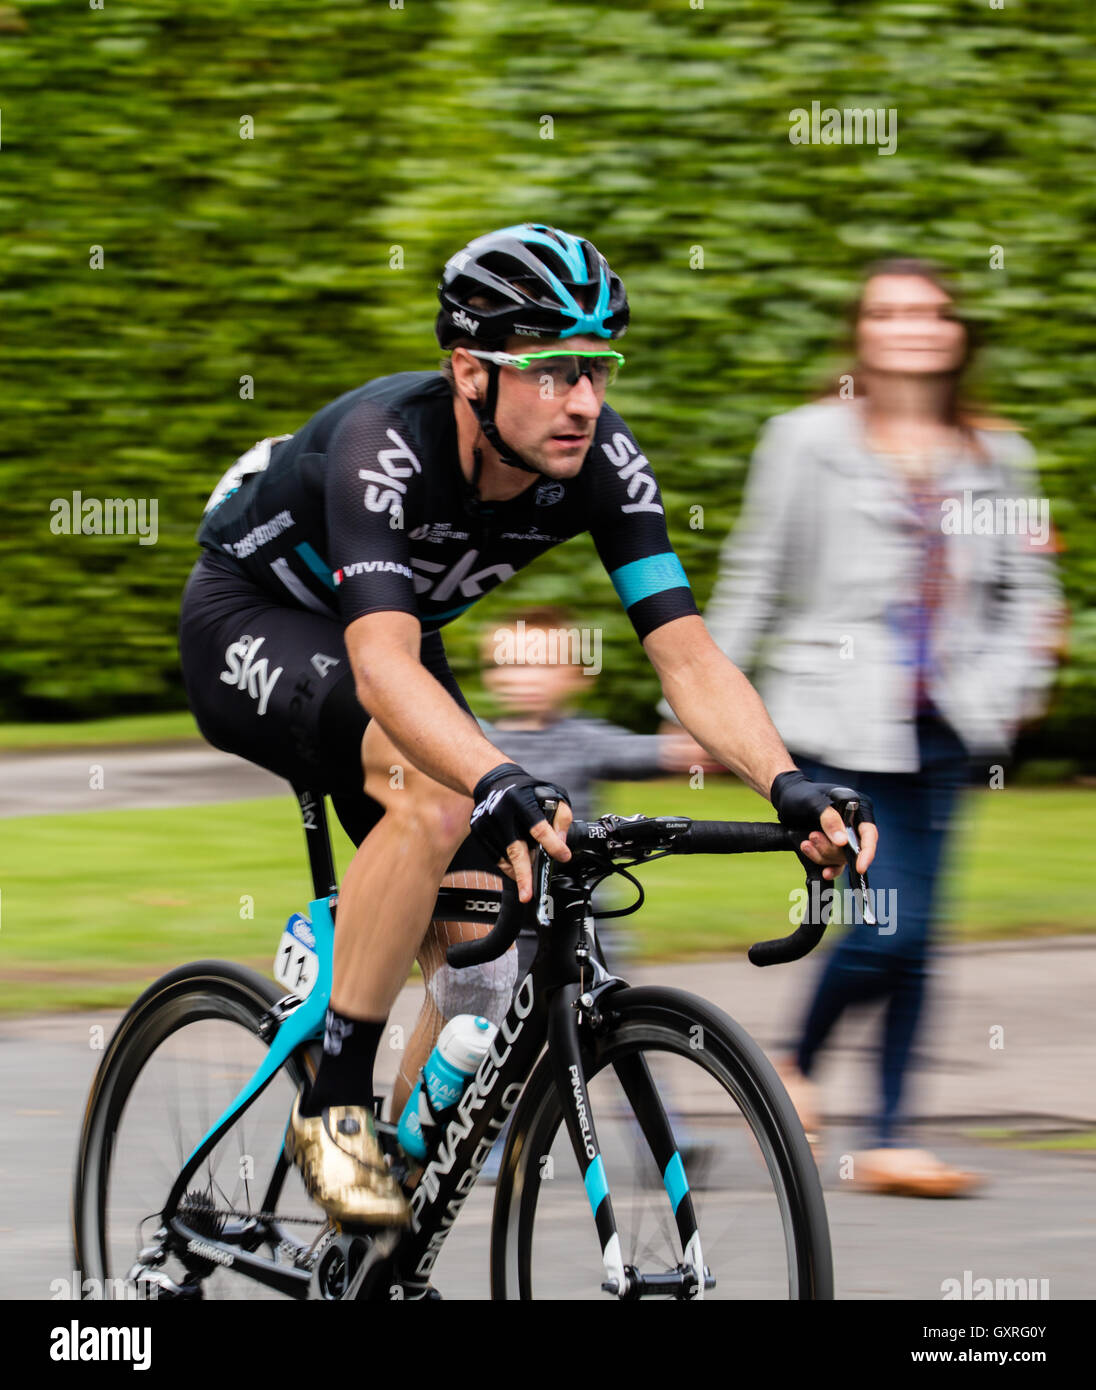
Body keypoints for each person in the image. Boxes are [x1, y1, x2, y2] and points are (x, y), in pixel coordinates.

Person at [178, 222, 876, 1232]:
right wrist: (497, 773)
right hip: (254, 620)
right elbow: (381, 665)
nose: (582, 399)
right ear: (470, 372)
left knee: (485, 954)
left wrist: (784, 780)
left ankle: (384, 1201)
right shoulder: (386, 443)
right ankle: (334, 1110)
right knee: (441, 792)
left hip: (392, 640)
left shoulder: (602, 461)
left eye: (595, 368)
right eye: (550, 371)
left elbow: (684, 653)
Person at [673, 257, 1062, 1195]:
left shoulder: (997, 456)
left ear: (957, 334)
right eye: (888, 314)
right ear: (861, 334)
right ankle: (796, 1066)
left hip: (946, 721)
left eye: (930, 314)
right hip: (835, 714)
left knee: (919, 932)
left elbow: (1027, 590)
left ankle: (887, 1134)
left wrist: (1008, 686)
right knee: (889, 923)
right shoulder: (803, 441)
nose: (911, 329)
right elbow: (757, 571)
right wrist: (697, 703)